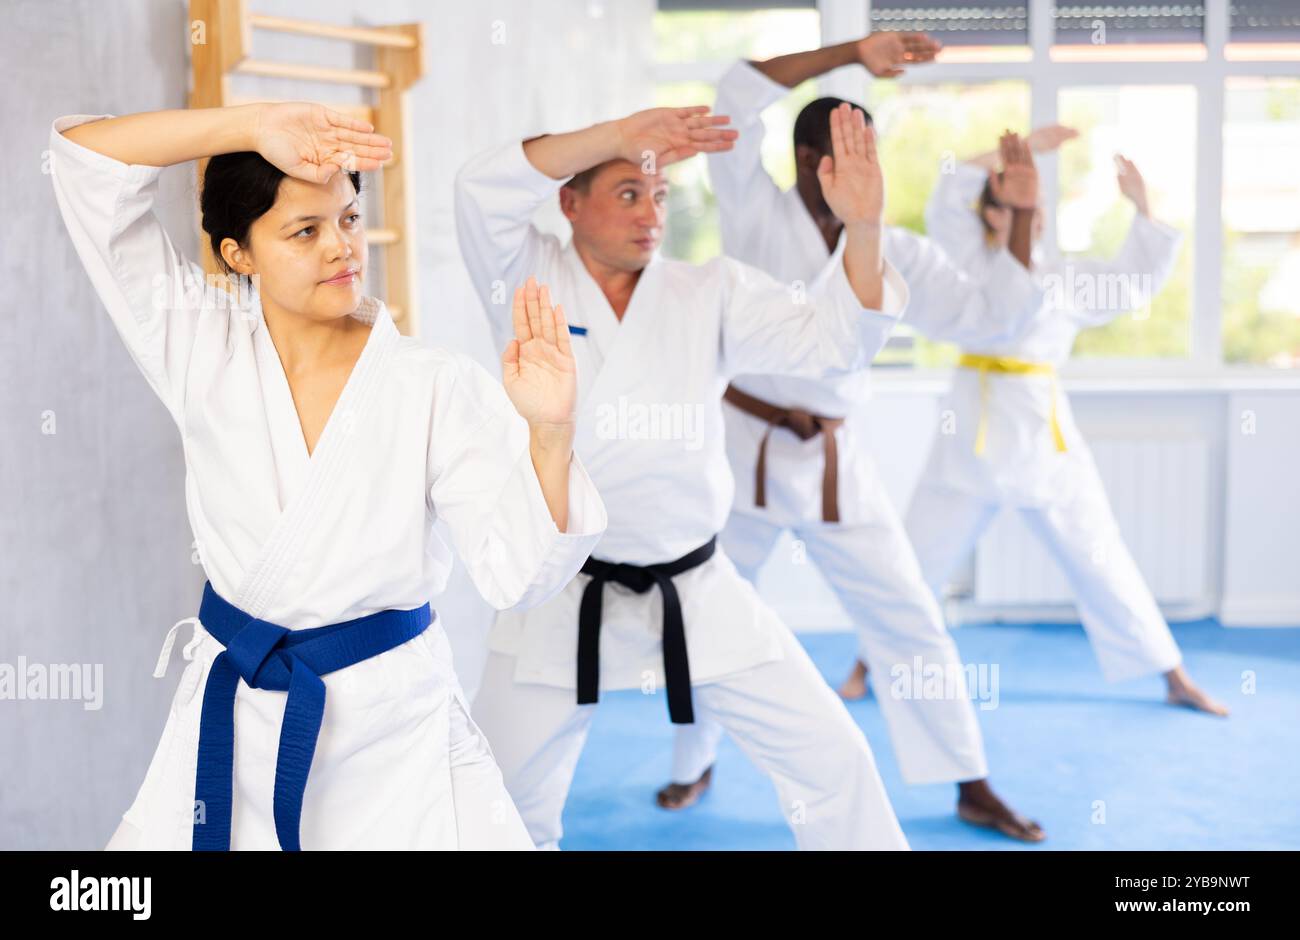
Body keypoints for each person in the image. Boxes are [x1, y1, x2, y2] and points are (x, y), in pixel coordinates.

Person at [50, 102, 607, 850]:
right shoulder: (196, 340)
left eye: (347, 219)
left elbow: (520, 575)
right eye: (304, 231)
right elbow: (86, 163)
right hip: (237, 714)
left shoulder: (431, 383)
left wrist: (551, 434)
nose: (341, 248)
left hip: (396, 732)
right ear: (237, 254)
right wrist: (250, 126)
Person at [455, 102, 912, 850]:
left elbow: (836, 341)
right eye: (628, 193)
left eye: (660, 196)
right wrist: (616, 134)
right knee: (494, 795)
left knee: (835, 760)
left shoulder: (711, 291)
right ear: (569, 204)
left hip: (696, 585)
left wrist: (863, 226)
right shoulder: (526, 276)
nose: (650, 215)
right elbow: (480, 188)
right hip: (562, 589)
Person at [657, 34, 1053, 842]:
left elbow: (996, 320)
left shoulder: (893, 249)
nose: (856, 170)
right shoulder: (753, 209)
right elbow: (733, 93)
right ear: (806, 157)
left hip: (837, 459)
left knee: (909, 617)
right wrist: (848, 52)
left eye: (868, 153)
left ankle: (969, 780)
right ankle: (693, 758)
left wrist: (1021, 217)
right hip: (739, 450)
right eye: (841, 152)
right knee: (704, 609)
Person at [903, 130, 1230, 718]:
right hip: (970, 429)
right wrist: (1011, 153)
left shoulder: (1067, 278)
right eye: (1013, 200)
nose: (1034, 210)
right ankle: (866, 663)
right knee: (917, 556)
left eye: (1039, 203)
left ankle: (1173, 673)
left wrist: (1142, 206)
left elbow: (1134, 279)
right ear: (990, 215)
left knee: (1101, 556)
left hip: (1042, 435)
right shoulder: (965, 263)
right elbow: (947, 196)